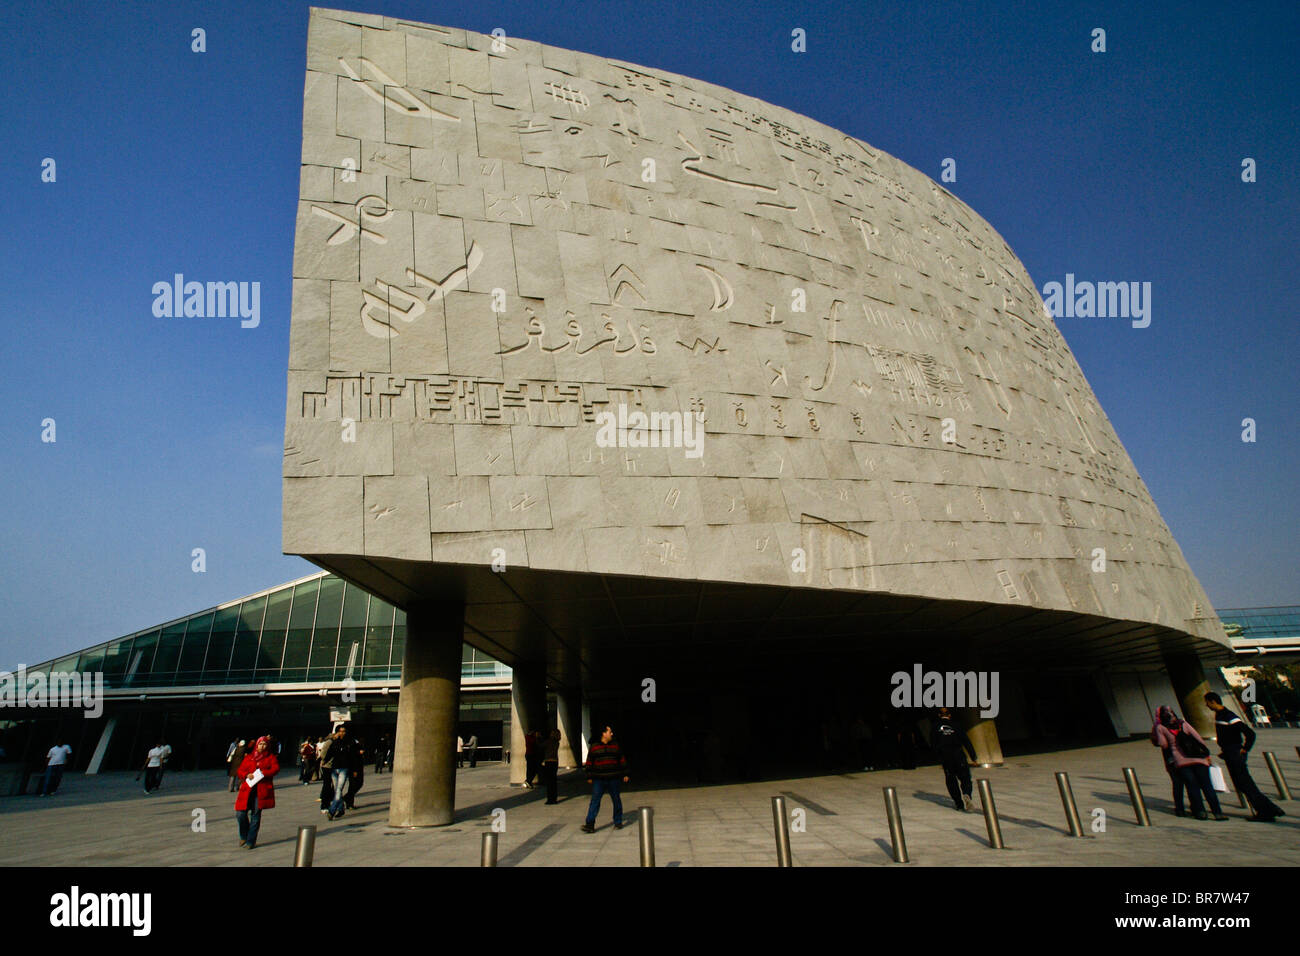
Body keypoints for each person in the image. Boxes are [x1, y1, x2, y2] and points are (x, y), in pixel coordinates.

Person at [1205, 692, 1285, 823]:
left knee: (1245, 783)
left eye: (1207, 702)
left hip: (1235, 753)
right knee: (1242, 784)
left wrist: (1244, 749)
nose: (1206, 705)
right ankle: (1268, 809)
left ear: (1213, 701)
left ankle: (1267, 810)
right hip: (1229, 752)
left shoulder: (1229, 715)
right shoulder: (1221, 715)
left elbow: (1250, 734)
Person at [1150, 705, 1227, 821]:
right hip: (1199, 759)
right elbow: (1198, 738)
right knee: (1207, 786)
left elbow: (1163, 744)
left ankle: (1200, 812)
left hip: (1181, 761)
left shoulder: (1161, 727)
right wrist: (1206, 755)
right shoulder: (1183, 723)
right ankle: (1217, 812)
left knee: (1192, 786)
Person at [234, 736, 280, 849]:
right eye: (260, 744)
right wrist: (246, 775)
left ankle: (250, 841)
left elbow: (276, 769)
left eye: (264, 744)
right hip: (247, 789)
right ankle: (244, 835)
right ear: (257, 745)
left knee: (255, 815)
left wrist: (264, 772)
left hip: (261, 790)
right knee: (240, 814)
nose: (262, 746)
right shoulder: (249, 757)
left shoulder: (270, 757)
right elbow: (240, 770)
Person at [581, 725, 629, 832]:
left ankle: (618, 821)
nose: (611, 734)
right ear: (603, 734)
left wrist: (625, 774)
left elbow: (622, 760)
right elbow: (589, 763)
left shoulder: (615, 746)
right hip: (599, 779)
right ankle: (590, 824)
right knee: (595, 801)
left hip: (613, 778)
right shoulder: (594, 747)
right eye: (609, 732)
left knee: (616, 799)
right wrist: (589, 776)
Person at [930, 708, 976, 811]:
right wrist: (973, 756)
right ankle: (966, 793)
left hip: (946, 756)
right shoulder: (956, 725)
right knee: (965, 777)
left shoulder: (935, 727)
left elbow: (933, 744)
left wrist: (938, 757)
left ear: (939, 715)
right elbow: (966, 741)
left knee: (951, 780)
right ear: (949, 715)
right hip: (958, 754)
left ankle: (958, 803)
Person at [318, 724, 355, 820]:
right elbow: (329, 753)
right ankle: (341, 808)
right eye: (340, 731)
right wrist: (324, 761)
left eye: (344, 731)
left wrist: (354, 769)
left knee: (338, 789)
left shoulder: (350, 743)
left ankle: (332, 810)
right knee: (336, 790)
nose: (342, 733)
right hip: (334, 768)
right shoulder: (335, 743)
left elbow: (353, 757)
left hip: (344, 768)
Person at [541, 728, 562, 804]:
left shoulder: (548, 742)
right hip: (555, 762)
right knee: (553, 781)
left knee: (549, 782)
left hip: (548, 762)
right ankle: (554, 798)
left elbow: (540, 746)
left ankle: (550, 799)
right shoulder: (557, 742)